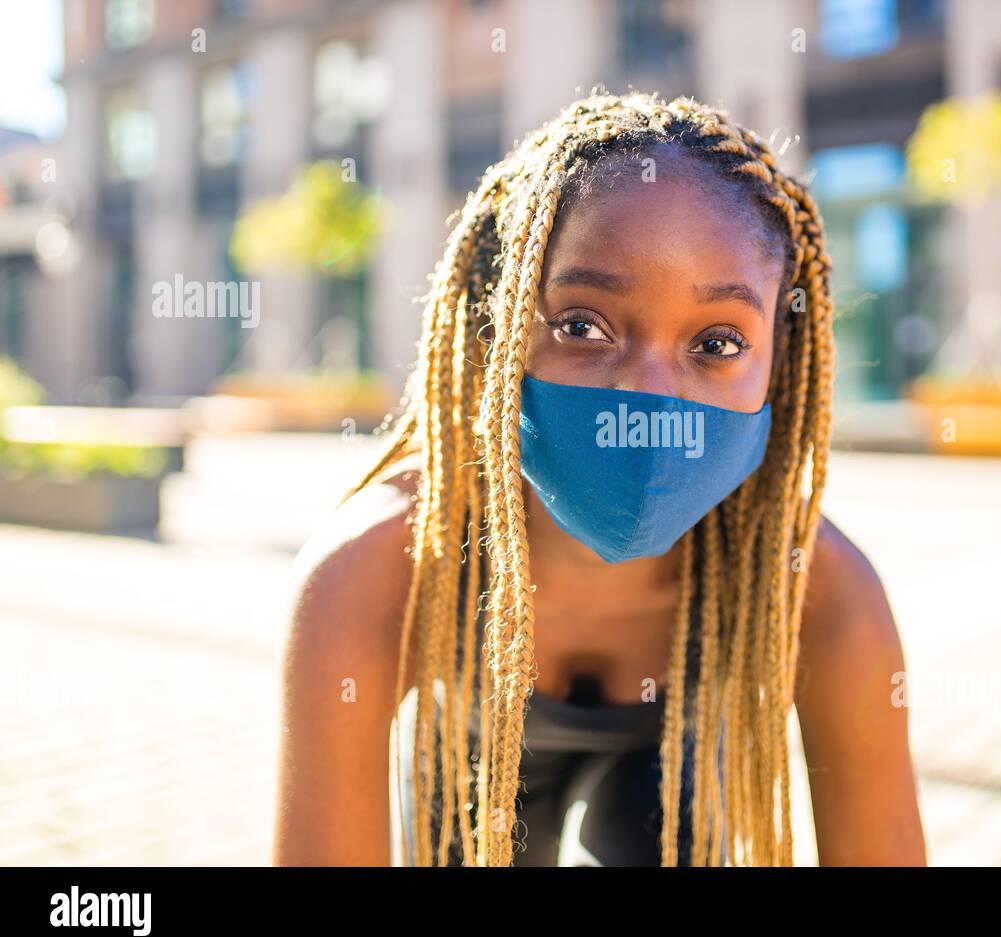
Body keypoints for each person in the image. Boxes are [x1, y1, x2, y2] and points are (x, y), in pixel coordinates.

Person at [273, 90, 926, 867]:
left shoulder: (818, 592)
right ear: (498, 332)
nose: (648, 399)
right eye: (582, 326)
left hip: (678, 754)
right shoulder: (377, 571)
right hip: (476, 757)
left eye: (717, 342)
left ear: (781, 367)